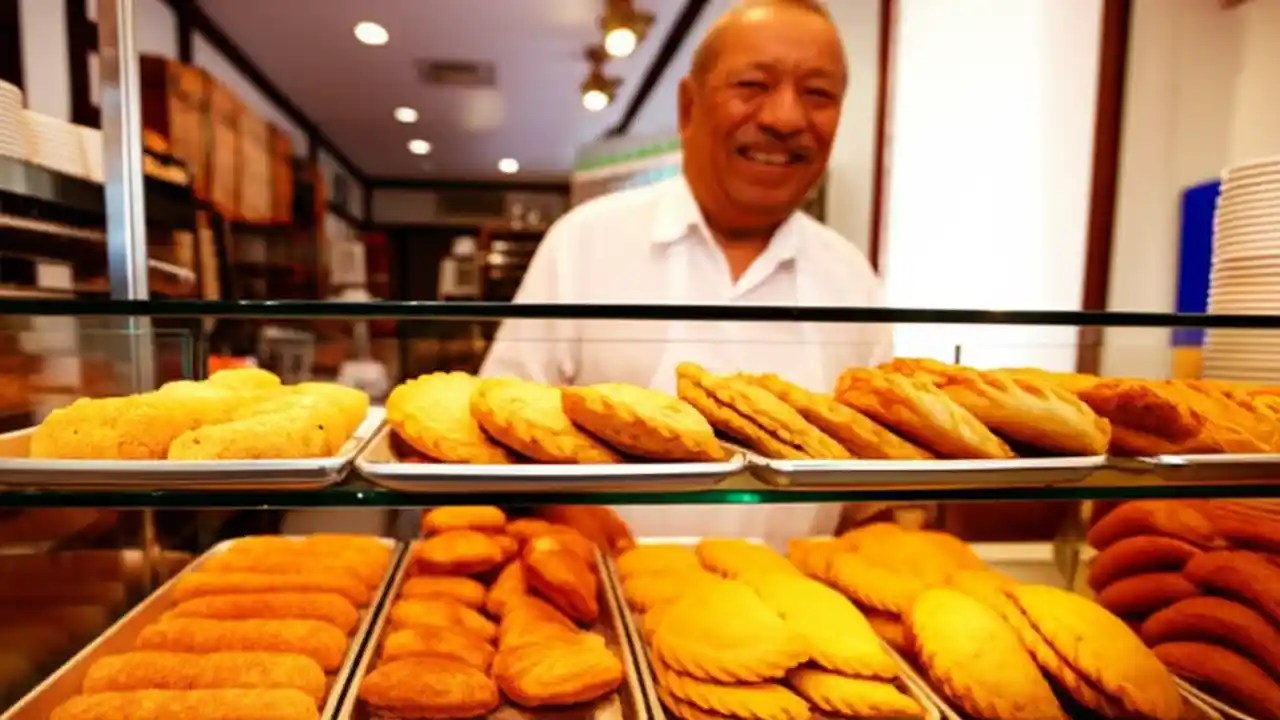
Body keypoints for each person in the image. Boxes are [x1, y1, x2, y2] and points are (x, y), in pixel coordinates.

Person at [481, 0, 889, 543]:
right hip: (595, 611)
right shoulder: (586, 242)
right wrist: (555, 511)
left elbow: (878, 483)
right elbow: (490, 432)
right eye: (753, 85)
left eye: (818, 94)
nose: (785, 118)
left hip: (799, 614)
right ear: (688, 107)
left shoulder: (852, 278)